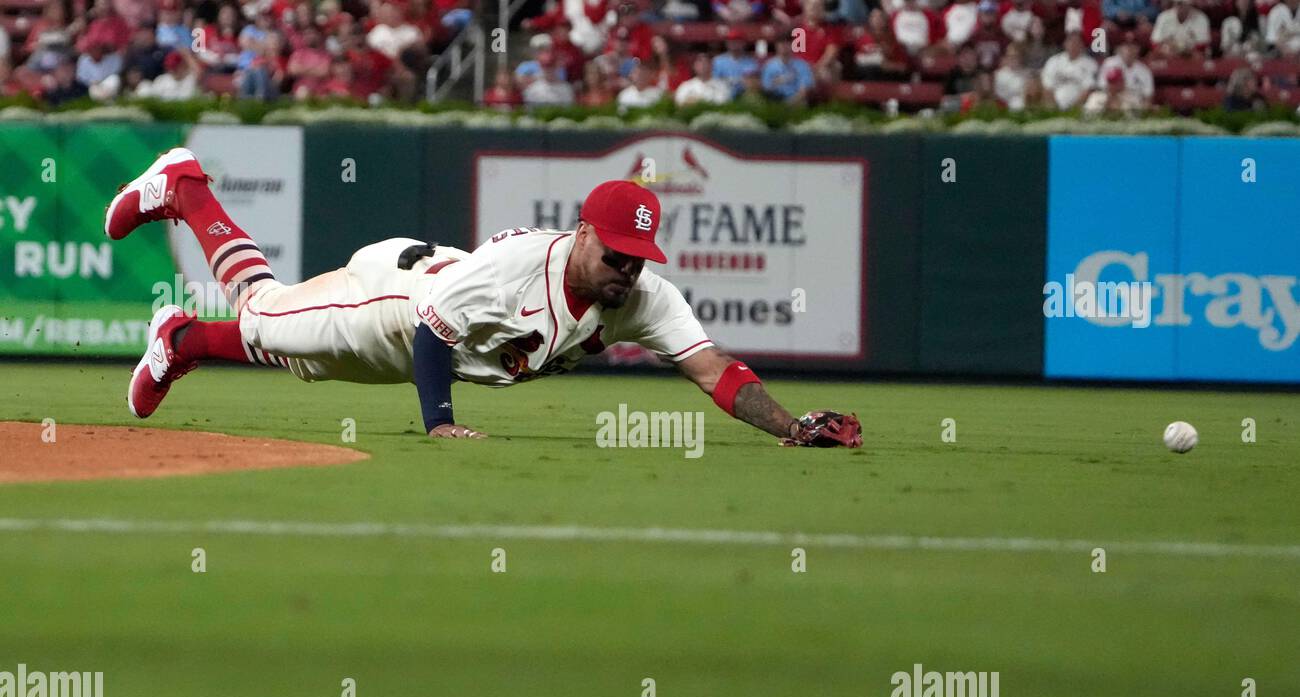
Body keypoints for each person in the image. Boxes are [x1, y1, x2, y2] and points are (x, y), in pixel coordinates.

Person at [104, 149, 861, 447]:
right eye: (617, 254)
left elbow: (711, 367)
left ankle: (179, 342)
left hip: (439, 325)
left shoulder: (642, 297)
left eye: (639, 259)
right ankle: (187, 186)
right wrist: (439, 425)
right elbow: (432, 333)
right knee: (263, 314)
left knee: (297, 361)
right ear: (582, 235)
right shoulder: (527, 266)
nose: (628, 270)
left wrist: (790, 426)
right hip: (399, 300)